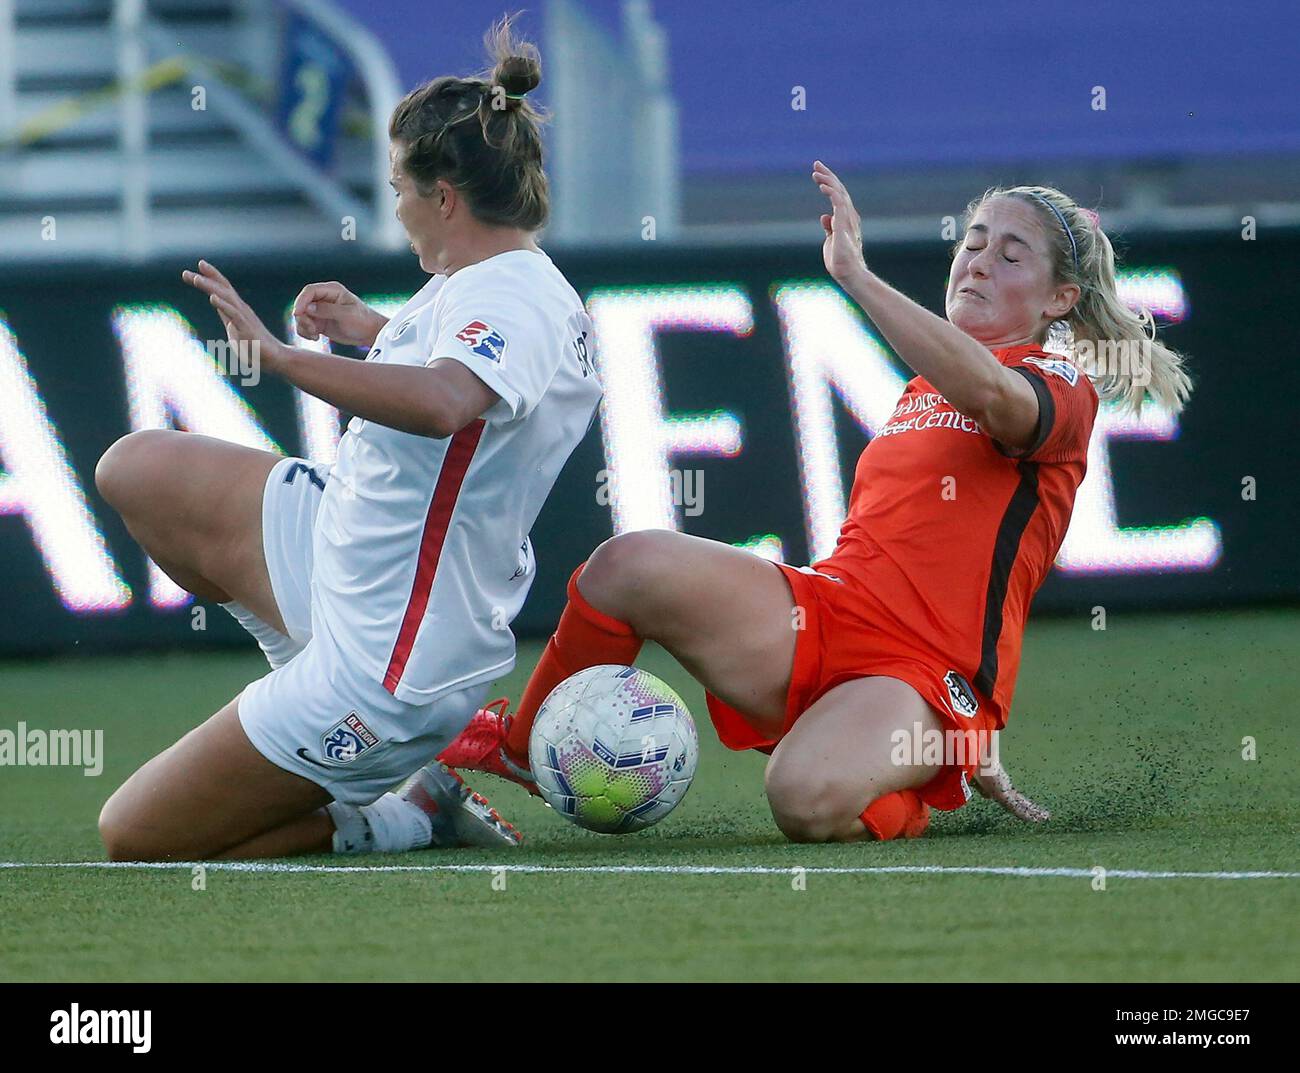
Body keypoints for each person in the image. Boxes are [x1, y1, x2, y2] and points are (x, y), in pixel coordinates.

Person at [441, 160, 1192, 842]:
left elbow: (994, 392)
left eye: (1010, 253)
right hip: (826, 612)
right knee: (627, 564)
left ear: (1062, 297)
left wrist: (856, 278)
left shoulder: (1062, 386)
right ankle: (521, 750)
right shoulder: (924, 386)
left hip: (925, 672)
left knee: (803, 799)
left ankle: (935, 766)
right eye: (974, 239)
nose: (978, 261)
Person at [94, 19, 602, 860]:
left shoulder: (516, 297)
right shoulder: (485, 283)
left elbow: (445, 401)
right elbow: (461, 378)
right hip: (345, 549)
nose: (394, 202)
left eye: (401, 184)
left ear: (445, 196)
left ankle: (405, 814)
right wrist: (372, 327)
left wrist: (281, 358)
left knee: (139, 837)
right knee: (138, 469)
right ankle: (297, 677)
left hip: (393, 660)